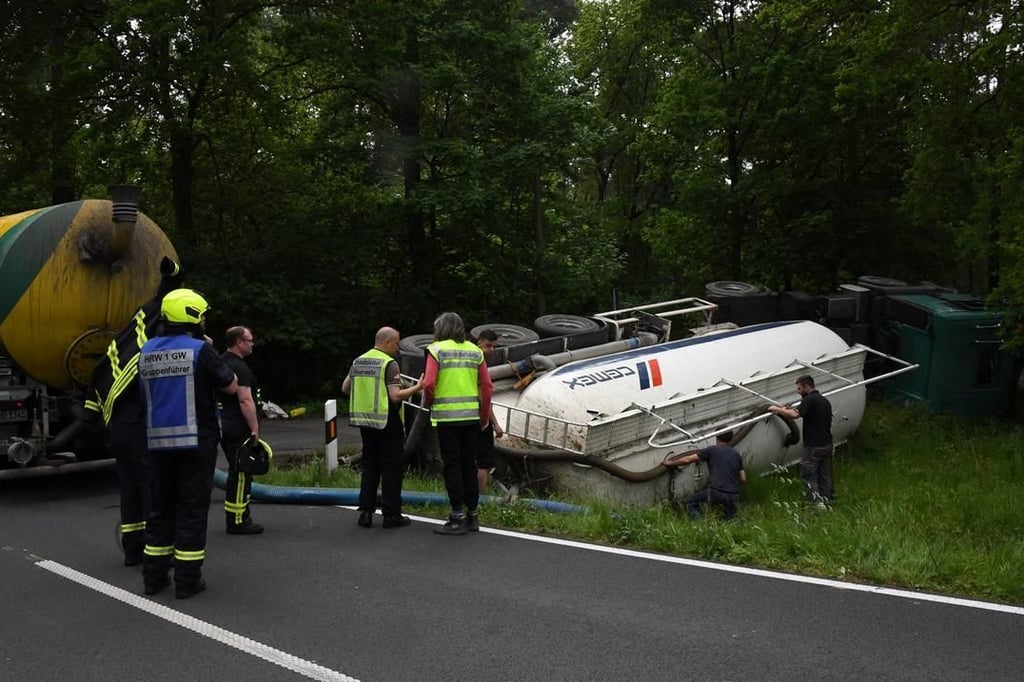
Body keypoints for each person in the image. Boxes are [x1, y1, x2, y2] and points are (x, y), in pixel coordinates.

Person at [138, 289, 259, 599]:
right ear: (192, 316)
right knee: (191, 510)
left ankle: (153, 578)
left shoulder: (147, 350)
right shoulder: (199, 350)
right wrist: (208, 349)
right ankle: (187, 580)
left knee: (159, 509)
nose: (204, 320)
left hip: (157, 442)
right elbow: (230, 385)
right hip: (195, 442)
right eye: (202, 315)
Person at [84, 256, 184, 566]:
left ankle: (132, 549)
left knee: (130, 489)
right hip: (137, 423)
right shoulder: (152, 342)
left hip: (118, 425)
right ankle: (158, 549)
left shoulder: (134, 328)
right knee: (151, 485)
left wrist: (171, 273)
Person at [341, 327, 422, 529]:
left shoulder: (359, 361)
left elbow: (345, 388)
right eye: (396, 343)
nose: (397, 348)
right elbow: (395, 396)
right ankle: (391, 515)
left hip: (364, 421)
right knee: (391, 468)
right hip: (387, 421)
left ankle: (365, 512)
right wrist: (418, 387)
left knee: (370, 466)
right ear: (387, 342)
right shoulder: (389, 364)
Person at [422, 312, 493, 535]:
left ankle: (456, 517)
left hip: (447, 418)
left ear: (441, 329)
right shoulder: (475, 351)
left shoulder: (436, 349)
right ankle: (473, 515)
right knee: (469, 464)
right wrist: (484, 416)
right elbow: (487, 386)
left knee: (452, 465)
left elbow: (429, 383)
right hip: (471, 418)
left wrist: (431, 403)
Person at [220, 326, 264, 535]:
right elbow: (245, 399)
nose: (252, 344)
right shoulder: (239, 367)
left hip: (221, 423)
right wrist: (254, 428)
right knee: (241, 472)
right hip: (238, 425)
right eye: (249, 340)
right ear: (239, 342)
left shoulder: (219, 361)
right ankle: (238, 519)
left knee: (235, 471)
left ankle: (235, 516)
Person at [769, 374, 834, 506]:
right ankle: (827, 501)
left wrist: (776, 409)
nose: (798, 392)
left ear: (807, 387)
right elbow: (802, 411)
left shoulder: (809, 399)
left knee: (808, 474)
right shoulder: (823, 401)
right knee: (824, 475)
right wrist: (786, 409)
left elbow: (795, 415)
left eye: (799, 389)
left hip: (813, 446)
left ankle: (815, 505)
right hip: (827, 444)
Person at [665, 431, 746, 519]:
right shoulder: (736, 454)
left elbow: (687, 460)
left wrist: (671, 463)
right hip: (734, 495)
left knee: (690, 503)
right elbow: (743, 478)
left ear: (717, 437)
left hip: (717, 492)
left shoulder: (712, 450)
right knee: (729, 520)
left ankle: (700, 523)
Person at [473, 329, 504, 494]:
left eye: (494, 347)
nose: (491, 350)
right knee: (483, 462)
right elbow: (484, 398)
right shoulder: (479, 363)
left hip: (463, 414)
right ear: (479, 342)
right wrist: (493, 423)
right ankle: (480, 496)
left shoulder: (467, 359)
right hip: (479, 418)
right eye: (488, 345)